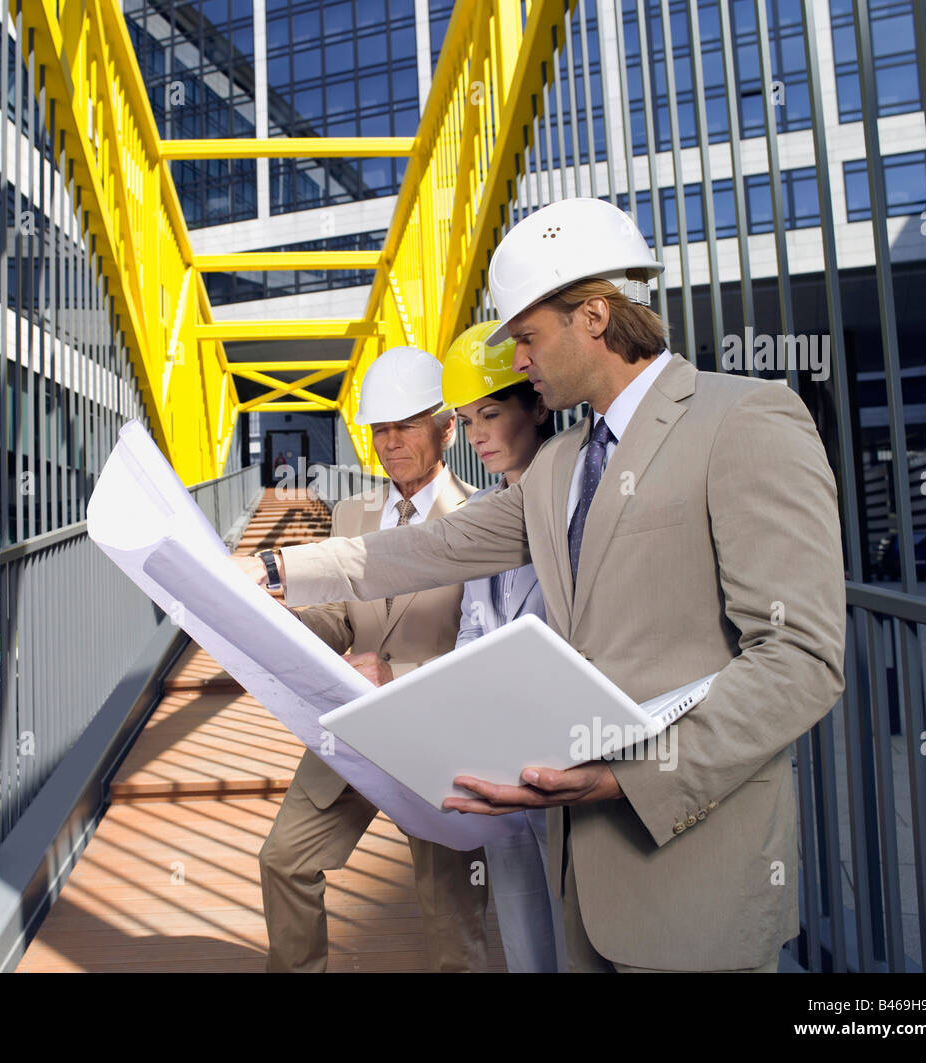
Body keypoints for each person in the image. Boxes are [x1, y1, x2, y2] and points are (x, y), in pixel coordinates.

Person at [237, 197, 846, 973]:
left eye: (526, 336)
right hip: (578, 879)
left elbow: (801, 657)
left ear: (594, 316)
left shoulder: (747, 421)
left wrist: (626, 778)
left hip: (694, 872)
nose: (518, 361)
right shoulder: (559, 467)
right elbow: (433, 547)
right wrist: (275, 569)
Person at [257, 346, 490, 973]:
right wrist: (280, 621)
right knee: (284, 859)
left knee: (451, 914)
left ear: (444, 428)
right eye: (378, 430)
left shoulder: (480, 519)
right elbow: (341, 615)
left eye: (405, 426)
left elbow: (485, 646)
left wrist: (398, 676)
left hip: (435, 740)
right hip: (354, 726)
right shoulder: (354, 514)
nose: (389, 443)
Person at [442, 319, 562, 973]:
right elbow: (469, 630)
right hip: (498, 767)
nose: (476, 434)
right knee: (524, 946)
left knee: (579, 941)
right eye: (465, 419)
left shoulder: (585, 502)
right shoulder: (476, 518)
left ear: (538, 404)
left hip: (567, 760)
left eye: (490, 412)